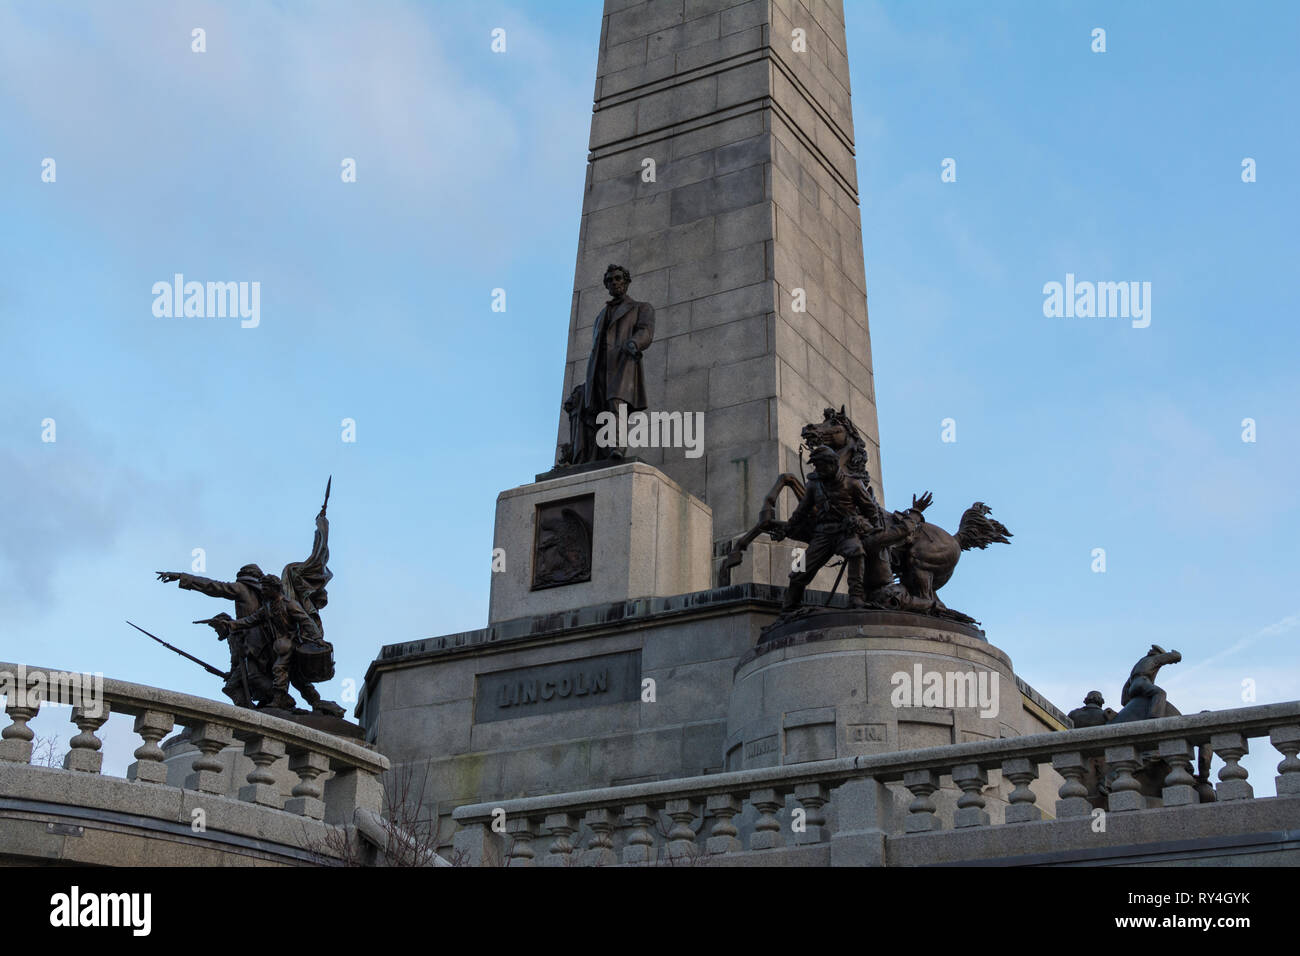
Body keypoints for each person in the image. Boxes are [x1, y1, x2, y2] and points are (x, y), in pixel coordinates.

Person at [575, 263, 655, 462]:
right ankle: (600, 452)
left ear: (626, 282)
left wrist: (634, 343)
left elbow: (645, 331)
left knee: (616, 404)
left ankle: (617, 447)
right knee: (599, 408)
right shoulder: (600, 315)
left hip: (622, 363)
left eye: (618, 278)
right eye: (610, 280)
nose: (614, 283)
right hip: (599, 368)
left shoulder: (641, 308)